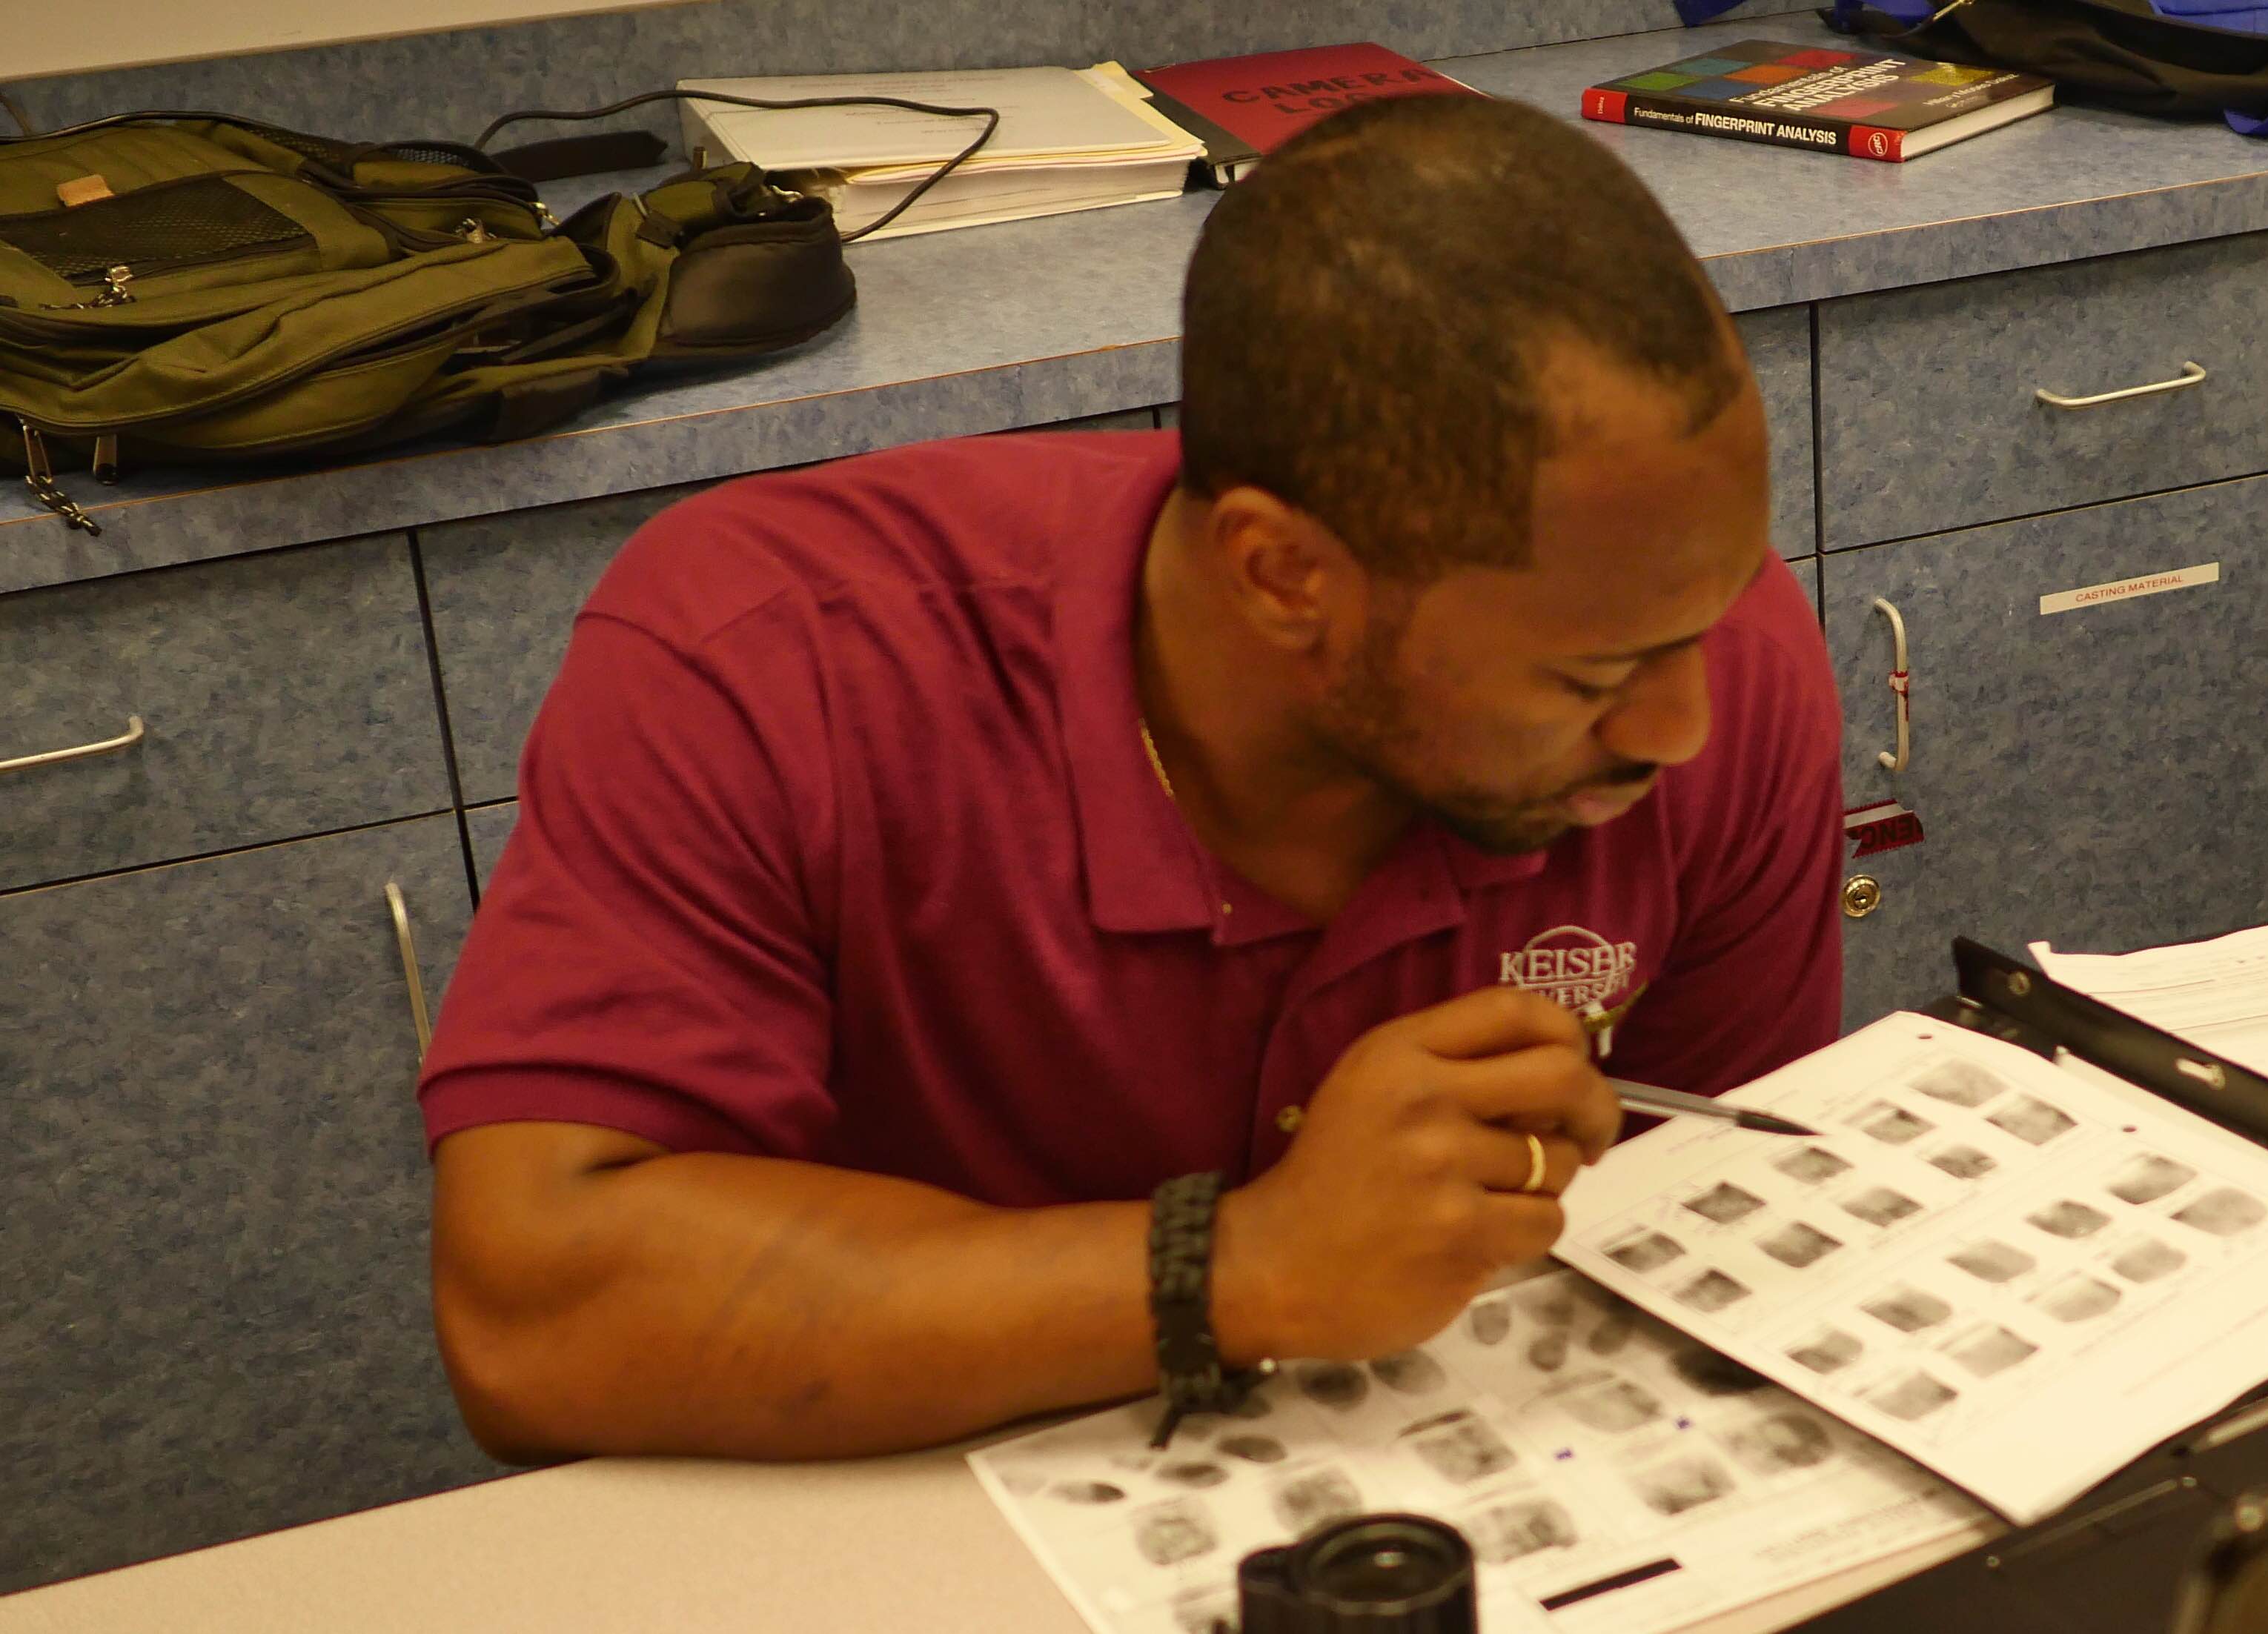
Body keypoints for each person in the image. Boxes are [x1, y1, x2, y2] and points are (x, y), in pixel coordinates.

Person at [418, 92, 1843, 1464]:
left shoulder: (1715, 653)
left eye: (1707, 619)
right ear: (1283, 576)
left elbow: (1727, 1241)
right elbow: (534, 1319)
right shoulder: (769, 657)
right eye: (1592, 679)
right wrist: (1240, 1268)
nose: (1685, 727)